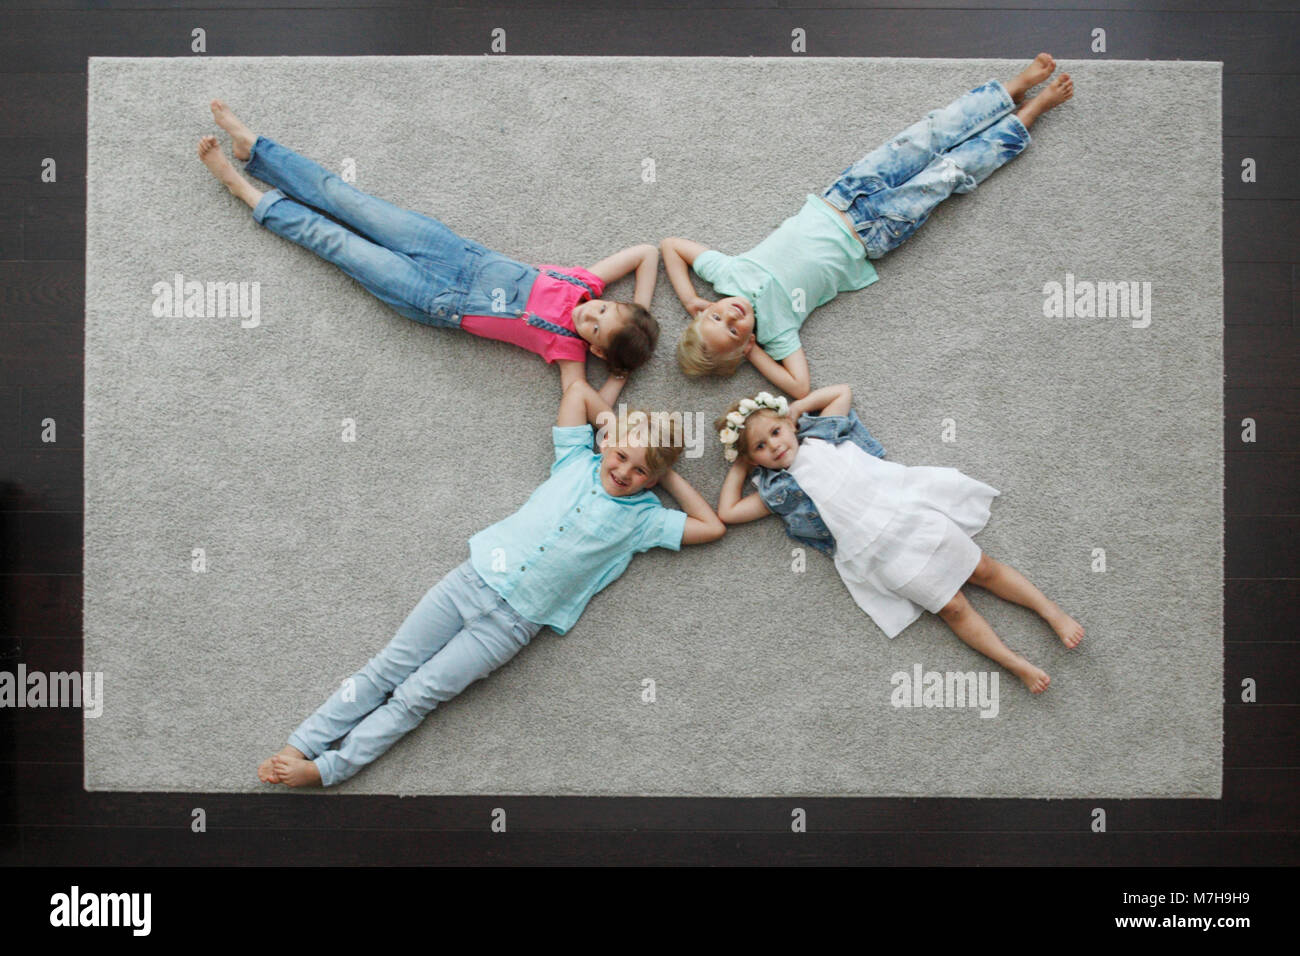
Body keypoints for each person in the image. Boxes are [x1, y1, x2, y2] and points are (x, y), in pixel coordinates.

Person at [259, 380, 726, 786]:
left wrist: (668, 474)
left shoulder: (646, 519)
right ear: (608, 443)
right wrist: (623, 435)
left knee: (416, 696)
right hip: (471, 580)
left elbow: (712, 526)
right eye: (622, 456)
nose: (624, 472)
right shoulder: (576, 461)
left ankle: (331, 769)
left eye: (640, 471)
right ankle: (302, 745)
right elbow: (579, 392)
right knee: (385, 670)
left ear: (655, 478)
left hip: (511, 626)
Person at [662, 54, 1073, 397]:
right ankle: (1028, 115)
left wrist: (689, 300)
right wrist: (754, 351)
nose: (731, 319)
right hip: (876, 231)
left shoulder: (726, 276)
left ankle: (1009, 91)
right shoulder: (776, 330)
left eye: (717, 319)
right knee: (951, 173)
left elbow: (670, 246)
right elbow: (800, 387)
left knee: (926, 136)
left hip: (844, 194)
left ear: (709, 309)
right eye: (734, 332)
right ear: (747, 342)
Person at [199, 101, 659, 402]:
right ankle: (256, 149)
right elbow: (646, 252)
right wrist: (640, 307)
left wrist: (618, 377)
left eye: (596, 329)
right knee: (347, 200)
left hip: (430, 298)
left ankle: (243, 190)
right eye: (602, 310)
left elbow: (585, 405)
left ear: (595, 351)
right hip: (451, 252)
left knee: (335, 242)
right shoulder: (585, 283)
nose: (589, 318)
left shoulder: (568, 352)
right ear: (606, 297)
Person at [713, 384, 1083, 694]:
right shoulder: (780, 491)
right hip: (879, 556)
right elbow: (728, 513)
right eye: (760, 447)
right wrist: (741, 463)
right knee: (952, 608)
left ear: (788, 426)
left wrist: (796, 409)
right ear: (756, 461)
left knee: (984, 568)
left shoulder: (823, 436)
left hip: (907, 515)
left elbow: (842, 391)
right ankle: (1014, 662)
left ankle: (1051, 611)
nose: (774, 446)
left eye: (775, 433)